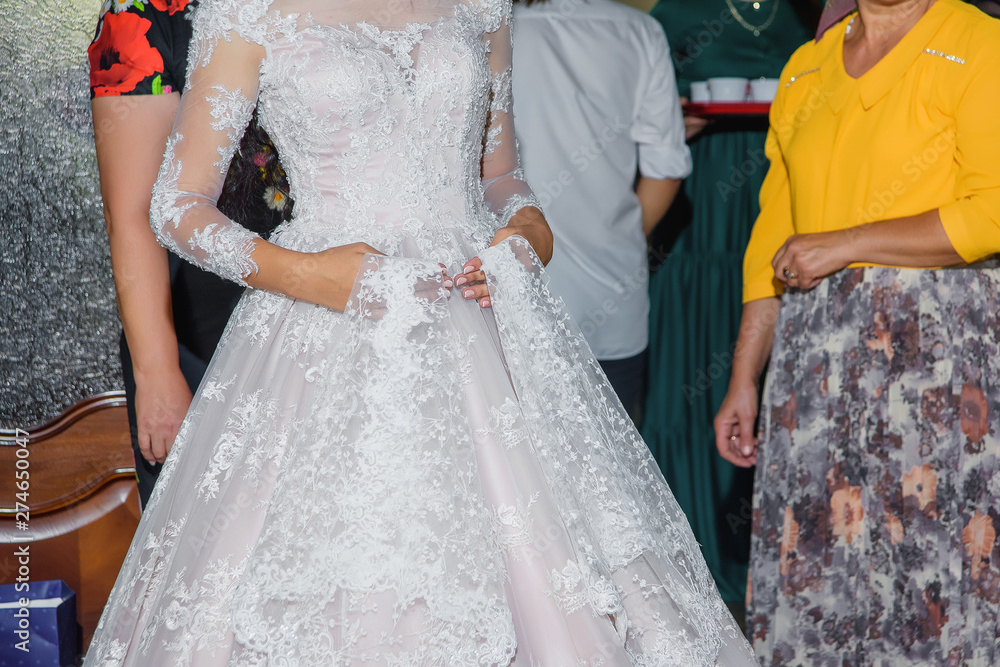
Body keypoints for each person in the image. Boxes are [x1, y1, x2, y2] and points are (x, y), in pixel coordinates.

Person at [84, 0, 756, 664]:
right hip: (327, 326)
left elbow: (501, 177)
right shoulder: (248, 11)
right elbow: (176, 205)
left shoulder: (483, 7)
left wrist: (530, 232)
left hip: (482, 316)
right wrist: (305, 274)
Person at [713, 0, 1000, 662]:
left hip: (936, 366)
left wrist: (846, 244)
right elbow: (772, 242)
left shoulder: (978, 43)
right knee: (817, 566)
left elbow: (991, 211)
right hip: (812, 368)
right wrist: (744, 375)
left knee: (929, 571)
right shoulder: (805, 69)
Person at [642, 0, 816, 611]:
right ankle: (683, 558)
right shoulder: (673, 14)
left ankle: (775, 560)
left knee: (776, 383)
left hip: (782, 199)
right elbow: (629, 116)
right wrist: (669, 123)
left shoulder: (809, 14)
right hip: (698, 213)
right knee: (689, 378)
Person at [88, 0, 290, 508]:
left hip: (332, 307)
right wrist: (156, 371)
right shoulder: (145, 13)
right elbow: (131, 212)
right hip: (199, 329)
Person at [510, 0, 691, 425]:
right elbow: (666, 170)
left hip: (508, 295)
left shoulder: (481, 25)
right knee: (614, 458)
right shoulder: (640, 31)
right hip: (611, 297)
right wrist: (618, 238)